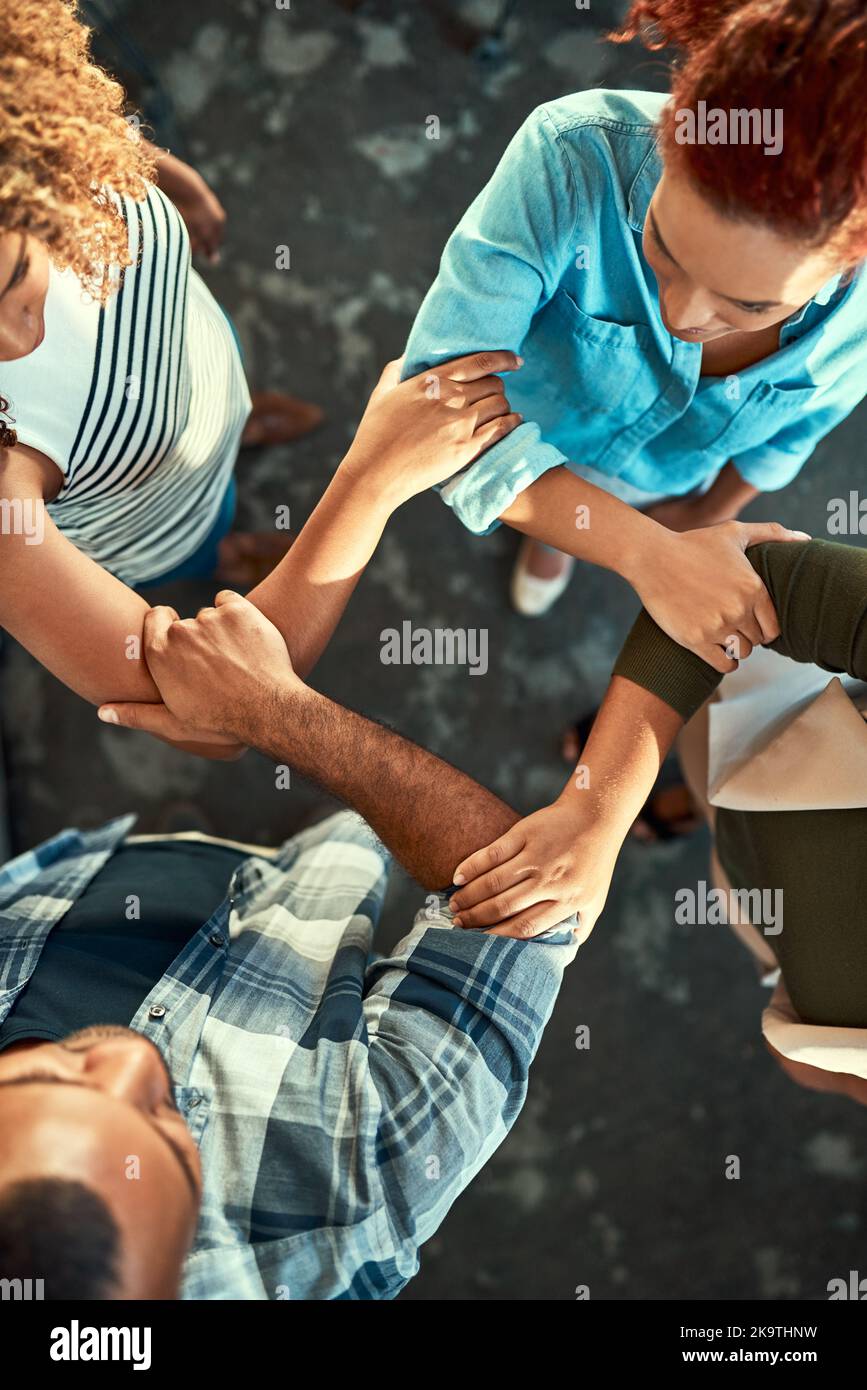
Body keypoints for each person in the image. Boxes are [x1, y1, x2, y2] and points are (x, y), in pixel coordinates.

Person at [0, 592, 578, 1300]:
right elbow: (527, 903)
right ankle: (315, 843)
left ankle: (200, 847)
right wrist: (272, 711)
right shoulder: (364, 1183)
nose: (127, 1055)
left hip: (88, 880)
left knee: (185, 856)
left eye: (42, 1077)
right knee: (341, 844)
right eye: (168, 1130)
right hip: (303, 906)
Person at [400, 0, 866, 658]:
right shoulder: (569, 157)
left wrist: (704, 516)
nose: (679, 319)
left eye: (749, 306)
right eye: (662, 248)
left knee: (589, 508)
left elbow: (791, 435)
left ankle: (560, 531)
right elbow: (432, 402)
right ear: (673, 126)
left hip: (659, 480)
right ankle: (551, 538)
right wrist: (643, 550)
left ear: (853, 255)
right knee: (570, 514)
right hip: (531, 424)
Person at [449, 536, 867, 1101]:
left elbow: (802, 1055)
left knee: (734, 792)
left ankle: (683, 774)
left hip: (764, 912)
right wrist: (597, 809)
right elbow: (749, 580)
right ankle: (657, 732)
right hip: (779, 705)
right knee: (703, 703)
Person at [0, 0, 323, 649]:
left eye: (12, 285)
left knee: (208, 387)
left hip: (194, 350)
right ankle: (227, 557)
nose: (13, 346)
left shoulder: (33, 132)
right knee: (199, 537)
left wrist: (181, 183)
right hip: (152, 519)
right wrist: (367, 488)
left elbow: (98, 134)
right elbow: (212, 733)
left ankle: (241, 421)